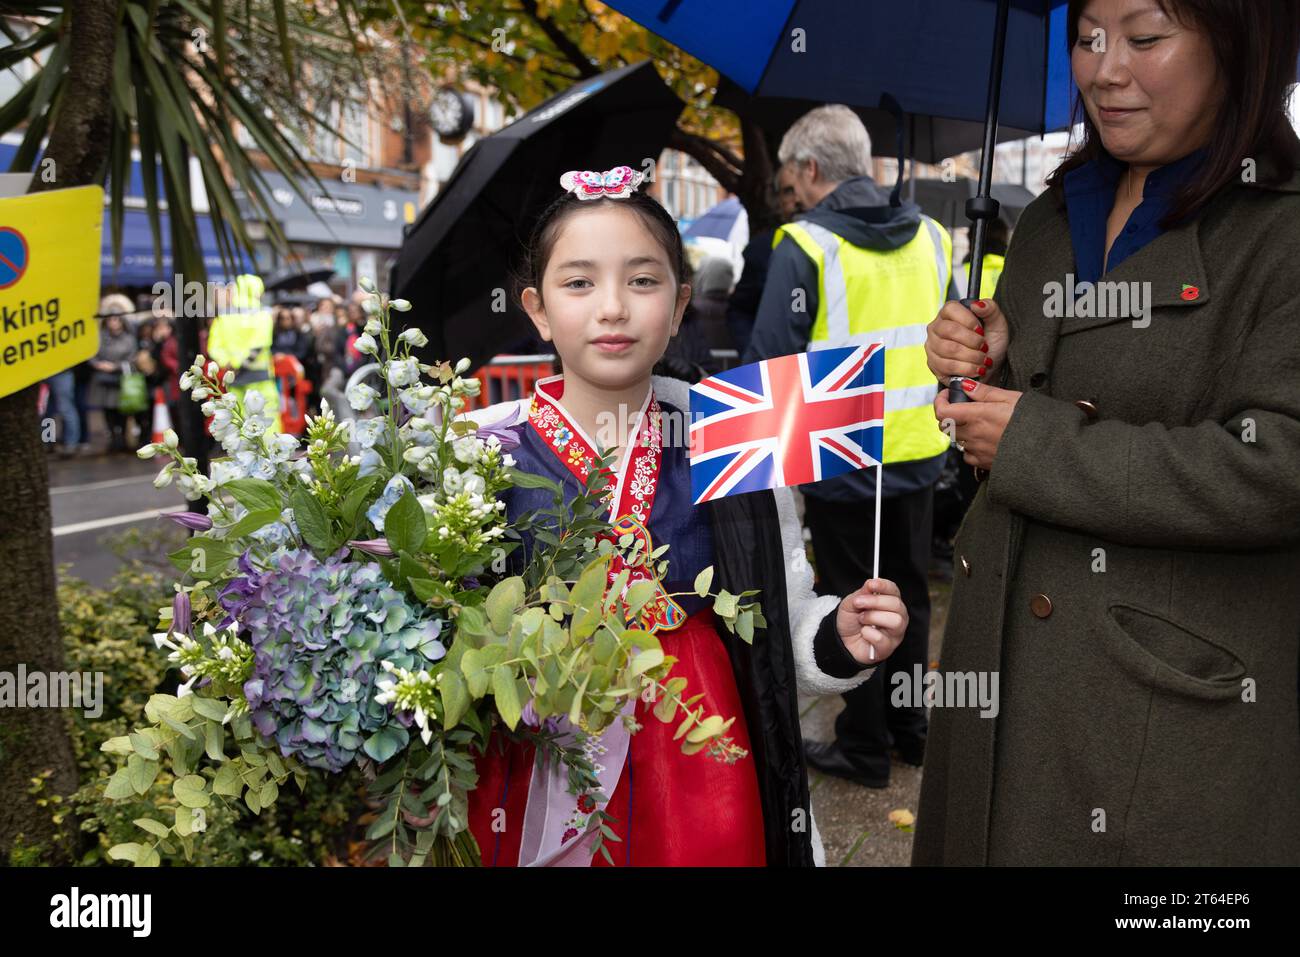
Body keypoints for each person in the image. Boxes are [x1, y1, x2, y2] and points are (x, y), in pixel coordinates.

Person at [917, 0, 1300, 866]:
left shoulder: (1281, 228)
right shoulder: (1057, 213)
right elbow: (1046, 398)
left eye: (1145, 37)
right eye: (1088, 37)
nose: (1105, 69)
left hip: (1161, 717)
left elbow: (1280, 466)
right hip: (1002, 678)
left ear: (1239, 45)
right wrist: (987, 363)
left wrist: (1034, 441)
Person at [463, 165, 911, 867]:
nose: (612, 307)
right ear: (538, 307)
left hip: (703, 761)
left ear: (678, 307)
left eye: (643, 281)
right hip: (535, 762)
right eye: (578, 282)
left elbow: (781, 618)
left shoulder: (730, 440)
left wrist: (838, 638)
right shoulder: (477, 457)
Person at [745, 104, 955, 789]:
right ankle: (911, 730)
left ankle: (863, 747)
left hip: (839, 457)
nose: (791, 193)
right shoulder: (931, 235)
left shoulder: (805, 243)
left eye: (791, 179)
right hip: (921, 447)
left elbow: (770, 362)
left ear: (810, 169)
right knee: (909, 595)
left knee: (848, 598)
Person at [725, 165, 804, 355]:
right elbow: (740, 311)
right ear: (777, 200)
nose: (797, 199)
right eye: (788, 192)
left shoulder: (844, 243)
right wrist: (755, 358)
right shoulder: (762, 250)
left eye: (801, 188)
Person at [87, 311, 141, 452]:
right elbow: (91, 354)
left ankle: (122, 437)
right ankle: (113, 437)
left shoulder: (129, 339)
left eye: (116, 319)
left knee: (121, 410)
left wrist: (116, 366)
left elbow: (133, 358)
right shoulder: (99, 338)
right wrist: (98, 364)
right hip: (103, 379)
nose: (113, 322)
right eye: (110, 319)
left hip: (121, 379)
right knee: (107, 410)